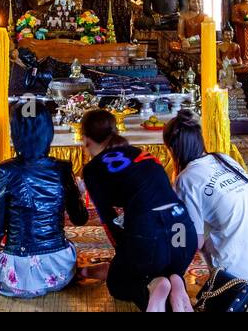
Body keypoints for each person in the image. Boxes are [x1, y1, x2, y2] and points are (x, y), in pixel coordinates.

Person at [79, 108, 196, 312]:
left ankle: (155, 285)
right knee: (164, 266)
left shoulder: (92, 170)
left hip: (149, 231)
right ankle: (177, 280)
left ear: (86, 140)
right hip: (184, 230)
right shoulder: (141, 153)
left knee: (121, 283)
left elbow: (109, 219)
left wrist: (123, 258)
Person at [163, 111, 248, 293]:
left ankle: (219, 277)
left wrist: (170, 250)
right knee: (210, 214)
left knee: (186, 227)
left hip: (240, 274)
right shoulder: (223, 158)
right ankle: (220, 274)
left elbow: (193, 240)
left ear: (172, 149)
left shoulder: (187, 178)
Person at [0, 105, 87, 298]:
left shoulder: (5, 171)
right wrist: (78, 192)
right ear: (48, 132)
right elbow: (79, 219)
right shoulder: (62, 168)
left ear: (16, 134)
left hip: (19, 272)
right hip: (61, 268)